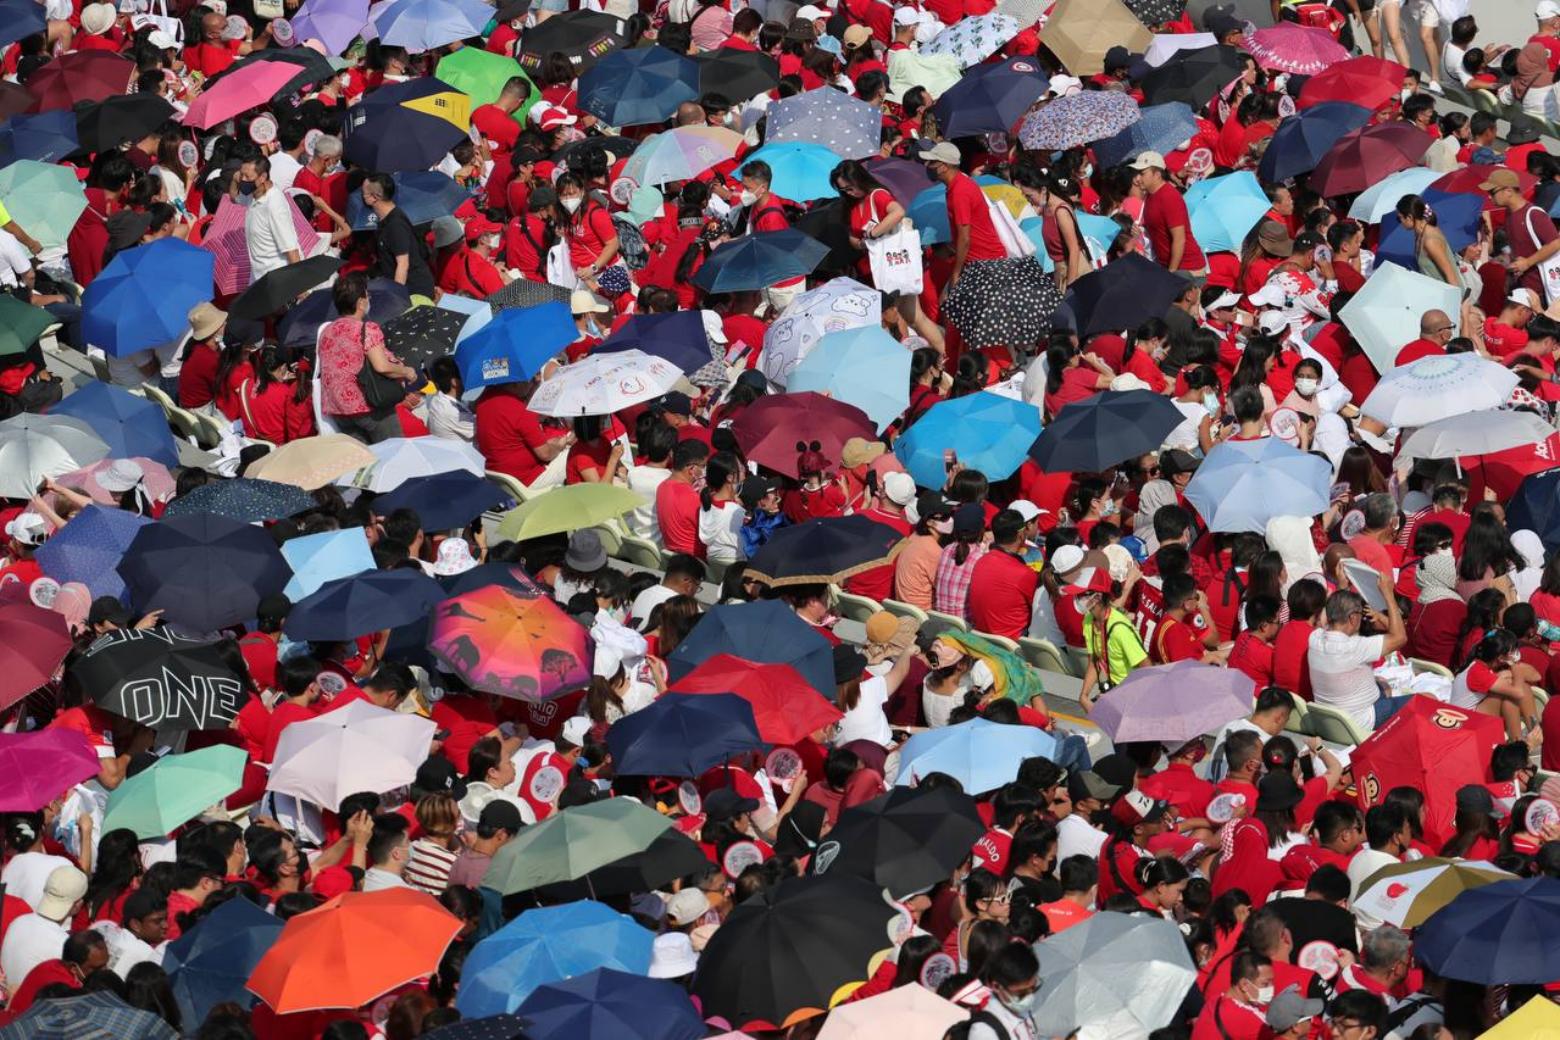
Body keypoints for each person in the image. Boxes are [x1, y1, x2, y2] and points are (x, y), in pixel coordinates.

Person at [317, 272, 416, 444]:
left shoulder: (326, 332)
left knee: (364, 462)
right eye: (367, 295)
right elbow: (381, 366)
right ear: (361, 303)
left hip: (339, 409)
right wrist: (406, 371)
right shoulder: (366, 328)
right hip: (368, 405)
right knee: (394, 453)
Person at [1308, 581, 1410, 732]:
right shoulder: (1356, 647)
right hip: (1360, 722)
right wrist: (1389, 595)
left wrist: (1341, 586)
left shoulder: (1314, 638)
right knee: (1428, 698)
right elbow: (1401, 637)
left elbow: (1326, 617)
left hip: (1329, 721)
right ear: (1353, 619)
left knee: (1383, 684)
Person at [1131, 151, 1206, 275]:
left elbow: (1179, 239)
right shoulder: (1150, 196)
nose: (1138, 178)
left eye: (1142, 173)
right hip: (1169, 266)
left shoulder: (1169, 196)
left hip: (1186, 268)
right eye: (1137, 174)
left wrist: (1171, 273)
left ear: (1157, 174)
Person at [361, 172, 435, 299]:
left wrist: (395, 299)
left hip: (414, 291)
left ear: (374, 197)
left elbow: (403, 264)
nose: (361, 197)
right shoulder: (385, 220)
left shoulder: (395, 225)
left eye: (363, 194)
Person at [238, 157, 301, 282]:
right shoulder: (252, 195)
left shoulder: (274, 204)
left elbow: (291, 248)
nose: (243, 180)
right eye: (241, 175)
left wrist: (300, 287)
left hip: (277, 280)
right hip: (258, 278)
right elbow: (234, 195)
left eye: (248, 177)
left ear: (262, 177)